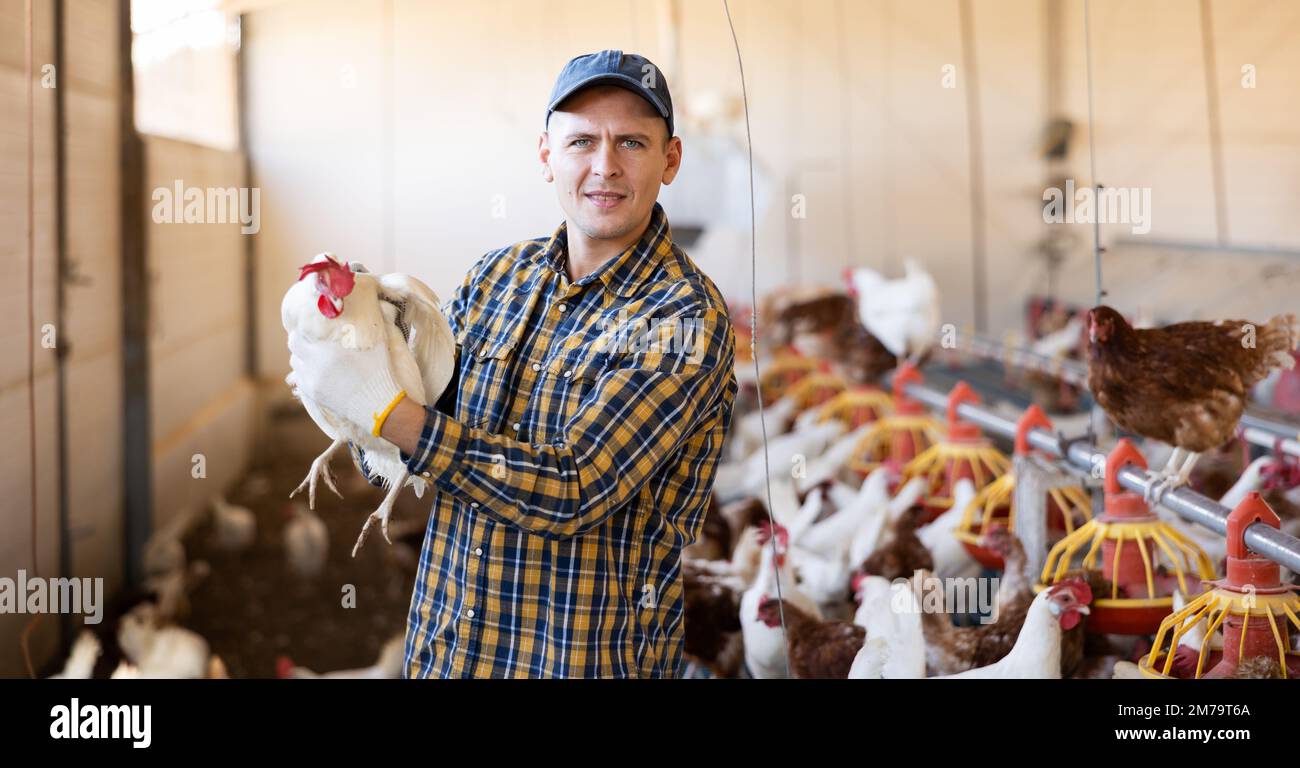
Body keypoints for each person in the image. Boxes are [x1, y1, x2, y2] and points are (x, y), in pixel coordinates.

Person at [286, 50, 737, 677]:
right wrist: (350, 382)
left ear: (671, 159)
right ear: (547, 154)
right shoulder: (495, 277)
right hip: (449, 651)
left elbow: (576, 487)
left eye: (631, 141)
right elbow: (414, 451)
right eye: (581, 140)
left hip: (576, 660)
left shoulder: (683, 318)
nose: (604, 166)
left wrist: (388, 413)